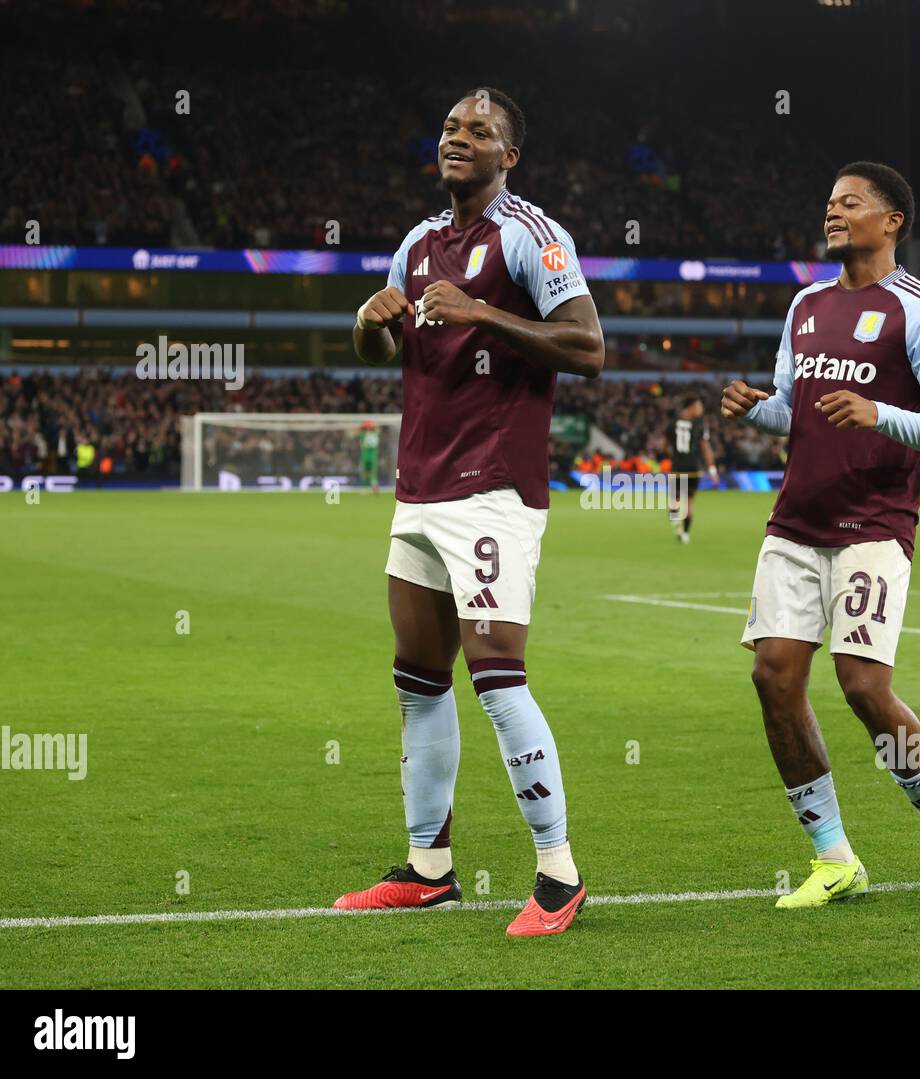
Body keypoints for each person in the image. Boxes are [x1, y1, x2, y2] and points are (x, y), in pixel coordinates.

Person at [335, 87, 604, 937]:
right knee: (417, 676)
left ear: (508, 156)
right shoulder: (417, 245)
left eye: (478, 131)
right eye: (451, 126)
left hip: (494, 486)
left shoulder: (531, 234)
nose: (459, 137)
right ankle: (429, 868)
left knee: (496, 675)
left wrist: (483, 308)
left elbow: (591, 347)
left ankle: (559, 874)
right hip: (420, 487)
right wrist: (368, 323)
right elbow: (386, 348)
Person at [720, 162, 920, 910]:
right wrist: (756, 407)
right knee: (774, 677)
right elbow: (799, 411)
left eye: (850, 203)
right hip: (797, 521)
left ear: (892, 219)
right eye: (829, 202)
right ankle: (833, 855)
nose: (833, 213)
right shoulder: (805, 304)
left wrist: (879, 413)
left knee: (864, 685)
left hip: (875, 520)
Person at [665, 393, 717, 543]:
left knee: (674, 501)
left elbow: (666, 446)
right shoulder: (700, 424)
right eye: (699, 406)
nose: (701, 410)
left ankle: (676, 526)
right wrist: (712, 470)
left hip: (677, 467)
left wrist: (674, 457)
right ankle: (686, 533)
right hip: (693, 468)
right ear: (692, 406)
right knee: (689, 501)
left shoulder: (673, 422)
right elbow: (705, 448)